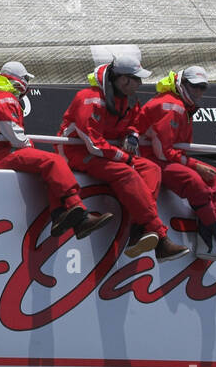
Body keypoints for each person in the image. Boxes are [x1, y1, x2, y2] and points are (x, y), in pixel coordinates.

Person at [57, 57, 189, 260]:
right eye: (137, 79)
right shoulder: (89, 98)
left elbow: (135, 123)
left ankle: (140, 227)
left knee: (151, 169)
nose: (140, 84)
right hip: (76, 153)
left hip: (106, 153)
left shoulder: (129, 100)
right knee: (126, 172)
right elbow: (93, 144)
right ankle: (160, 237)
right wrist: (124, 157)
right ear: (123, 80)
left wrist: (132, 135)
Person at [0, 61, 112, 239]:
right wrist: (31, 148)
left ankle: (62, 215)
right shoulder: (3, 98)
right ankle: (75, 211)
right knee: (53, 161)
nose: (28, 87)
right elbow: (18, 139)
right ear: (20, 81)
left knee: (50, 165)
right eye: (26, 80)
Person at [137, 66, 216, 261]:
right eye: (195, 86)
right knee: (195, 181)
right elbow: (163, 152)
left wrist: (191, 164)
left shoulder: (182, 106)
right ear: (182, 84)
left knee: (215, 176)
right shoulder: (171, 106)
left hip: (162, 157)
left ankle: (208, 240)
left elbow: (171, 150)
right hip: (149, 159)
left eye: (203, 87)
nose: (198, 91)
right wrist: (194, 165)